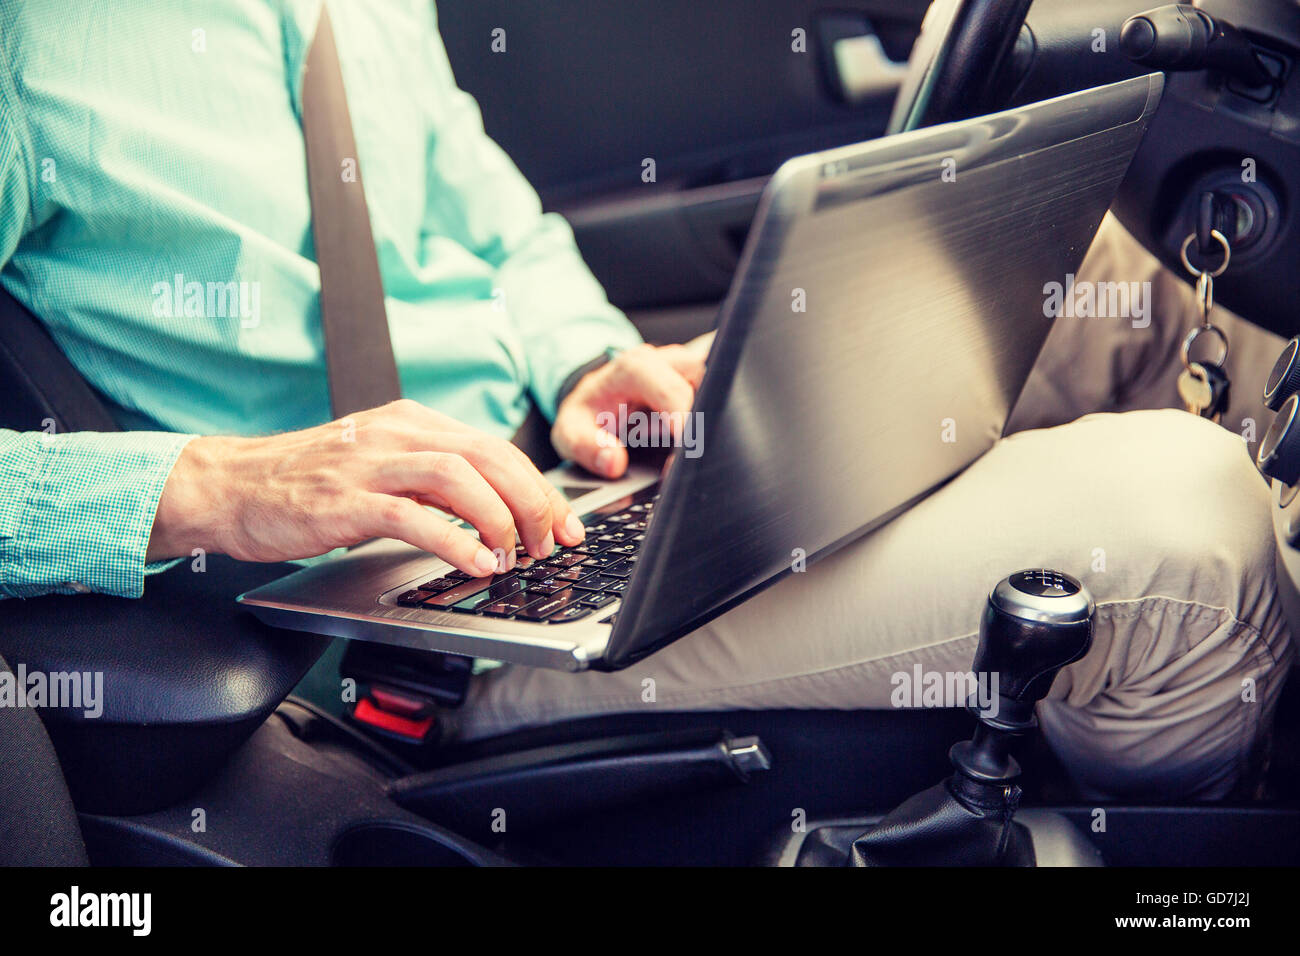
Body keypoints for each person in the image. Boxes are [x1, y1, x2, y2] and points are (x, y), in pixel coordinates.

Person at [0, 1, 1289, 800]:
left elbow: (499, 228)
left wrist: (578, 361)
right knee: (1186, 531)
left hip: (563, 489)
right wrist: (214, 488)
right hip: (386, 631)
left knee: (1121, 284)